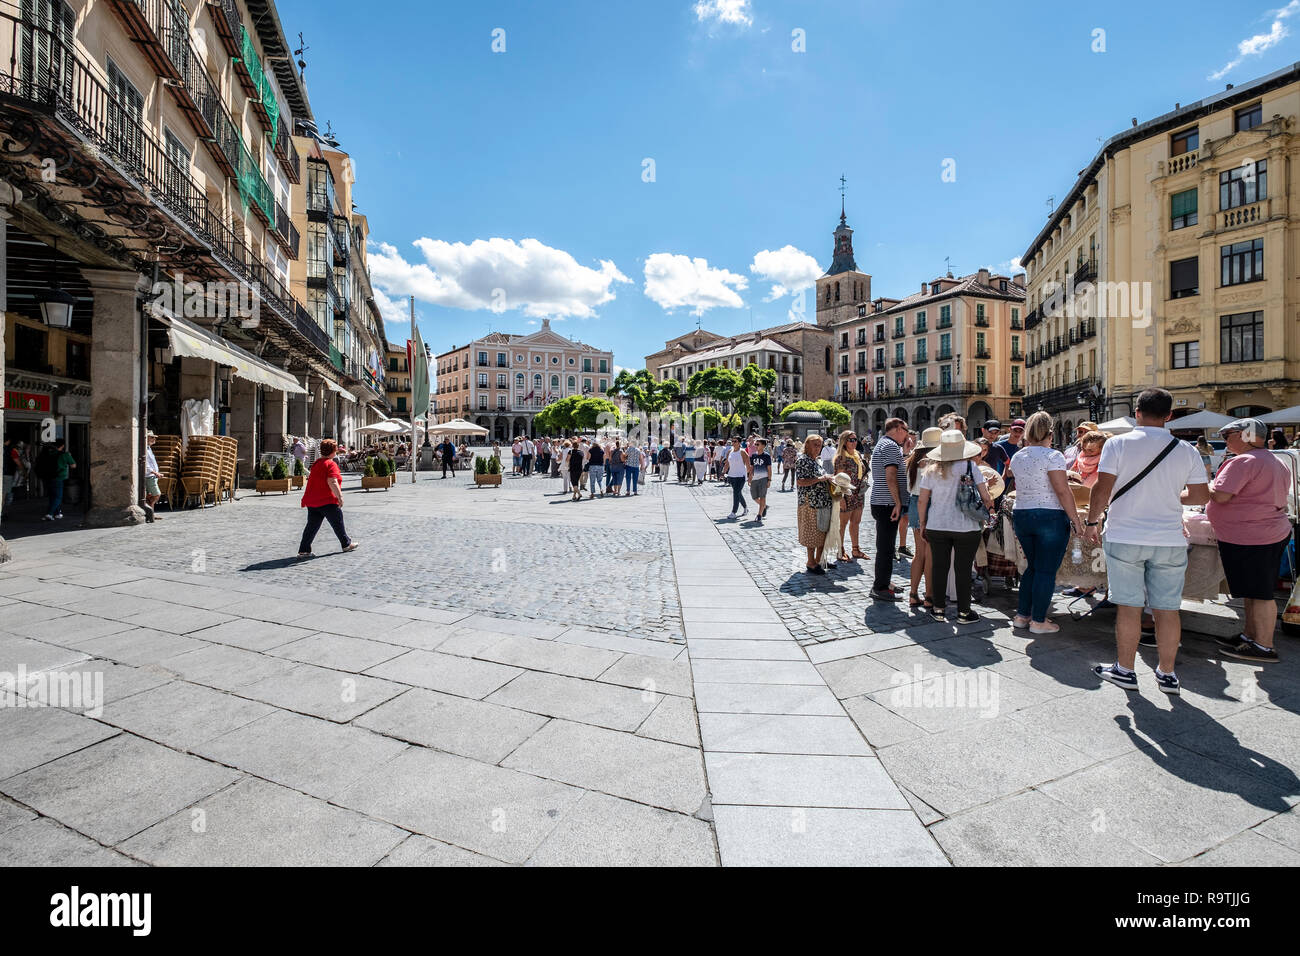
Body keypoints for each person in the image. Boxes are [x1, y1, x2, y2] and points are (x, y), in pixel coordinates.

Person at [1083, 387, 1210, 696]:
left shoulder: (1118, 445)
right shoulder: (1186, 449)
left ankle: (1125, 670)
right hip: (1169, 538)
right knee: (1168, 609)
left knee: (1129, 608)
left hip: (1125, 535)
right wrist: (1171, 495)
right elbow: (1200, 495)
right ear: (1168, 416)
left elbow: (1102, 489)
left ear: (1136, 412)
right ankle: (1167, 674)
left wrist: (1091, 521)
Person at [1207, 418, 1291, 663]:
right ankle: (1250, 637)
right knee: (1254, 591)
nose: (1226, 441)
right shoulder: (1274, 460)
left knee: (1261, 592)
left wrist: (1207, 486)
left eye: (1228, 435)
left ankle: (1264, 646)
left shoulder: (1244, 461)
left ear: (1244, 435)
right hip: (1262, 533)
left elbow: (1221, 496)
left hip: (1253, 535)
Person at [1005, 412, 1086, 633]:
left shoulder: (1018, 456)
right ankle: (1039, 621)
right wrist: (1076, 521)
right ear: (1050, 433)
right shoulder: (1053, 456)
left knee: (1032, 567)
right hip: (1049, 515)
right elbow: (1062, 490)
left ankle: (1023, 615)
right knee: (1046, 570)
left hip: (1022, 514)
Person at [916, 430, 996, 624]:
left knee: (939, 567)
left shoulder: (931, 469)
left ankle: (938, 609)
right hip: (966, 526)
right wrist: (989, 511)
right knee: (963, 568)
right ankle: (963, 612)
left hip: (937, 524)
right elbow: (985, 497)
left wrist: (923, 523)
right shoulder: (970, 467)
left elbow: (922, 500)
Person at [868, 418, 910, 601]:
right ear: (899, 428)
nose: (907, 434)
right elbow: (891, 475)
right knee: (886, 548)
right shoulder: (891, 446)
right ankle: (880, 587)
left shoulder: (883, 444)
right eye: (906, 430)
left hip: (881, 501)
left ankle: (884, 581)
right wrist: (898, 502)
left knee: (885, 546)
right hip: (887, 503)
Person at [297, 439, 358, 558]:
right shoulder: (331, 464)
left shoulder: (316, 463)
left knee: (311, 526)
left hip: (313, 500)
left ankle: (304, 550)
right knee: (338, 522)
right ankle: (346, 544)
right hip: (327, 500)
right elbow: (332, 481)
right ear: (333, 451)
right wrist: (339, 497)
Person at [905, 428, 942, 609]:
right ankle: (929, 595)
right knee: (930, 554)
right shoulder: (934, 462)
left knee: (919, 553)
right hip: (929, 504)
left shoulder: (913, 461)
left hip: (914, 503)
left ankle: (913, 594)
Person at [795, 435, 836, 573]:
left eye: (820, 445)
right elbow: (800, 481)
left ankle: (820, 560)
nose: (818, 448)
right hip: (810, 502)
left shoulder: (815, 461)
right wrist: (821, 478)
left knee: (822, 532)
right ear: (807, 445)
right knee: (812, 533)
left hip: (822, 502)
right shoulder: (803, 460)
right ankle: (811, 562)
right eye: (815, 444)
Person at [832, 431, 867, 562]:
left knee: (856, 523)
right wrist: (841, 498)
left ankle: (856, 549)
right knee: (843, 524)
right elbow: (838, 479)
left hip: (858, 493)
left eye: (855, 439)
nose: (854, 442)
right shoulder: (841, 457)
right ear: (844, 442)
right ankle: (840, 550)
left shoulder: (857, 455)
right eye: (850, 440)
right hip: (847, 494)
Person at [40, 439, 76, 521]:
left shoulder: (49, 453)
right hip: (59, 478)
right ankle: (49, 513)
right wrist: (69, 457)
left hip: (48, 477)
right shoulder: (65, 454)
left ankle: (57, 513)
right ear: (62, 446)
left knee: (53, 496)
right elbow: (73, 465)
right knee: (58, 497)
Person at [725, 436, 750, 520]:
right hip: (731, 475)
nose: (733, 443)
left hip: (741, 476)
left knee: (736, 493)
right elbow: (727, 463)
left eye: (735, 441)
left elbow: (748, 465)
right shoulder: (729, 451)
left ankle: (733, 512)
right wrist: (723, 472)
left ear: (739, 443)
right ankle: (745, 508)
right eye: (732, 441)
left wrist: (750, 476)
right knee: (738, 493)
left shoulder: (742, 452)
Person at [748, 437, 772, 524]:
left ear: (763, 446)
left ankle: (759, 515)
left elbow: (769, 469)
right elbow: (752, 467)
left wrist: (769, 480)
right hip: (755, 478)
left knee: (762, 496)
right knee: (754, 496)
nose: (756, 446)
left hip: (763, 478)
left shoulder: (766, 456)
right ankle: (764, 506)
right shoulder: (753, 455)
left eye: (757, 444)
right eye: (755, 444)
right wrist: (749, 478)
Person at [143, 430, 163, 522]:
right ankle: (148, 505)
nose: (154, 439)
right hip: (150, 476)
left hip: (153, 476)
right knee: (157, 494)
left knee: (152, 495)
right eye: (152, 437)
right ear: (146, 438)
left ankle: (151, 514)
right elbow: (146, 465)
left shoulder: (148, 448)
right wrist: (155, 473)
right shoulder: (144, 449)